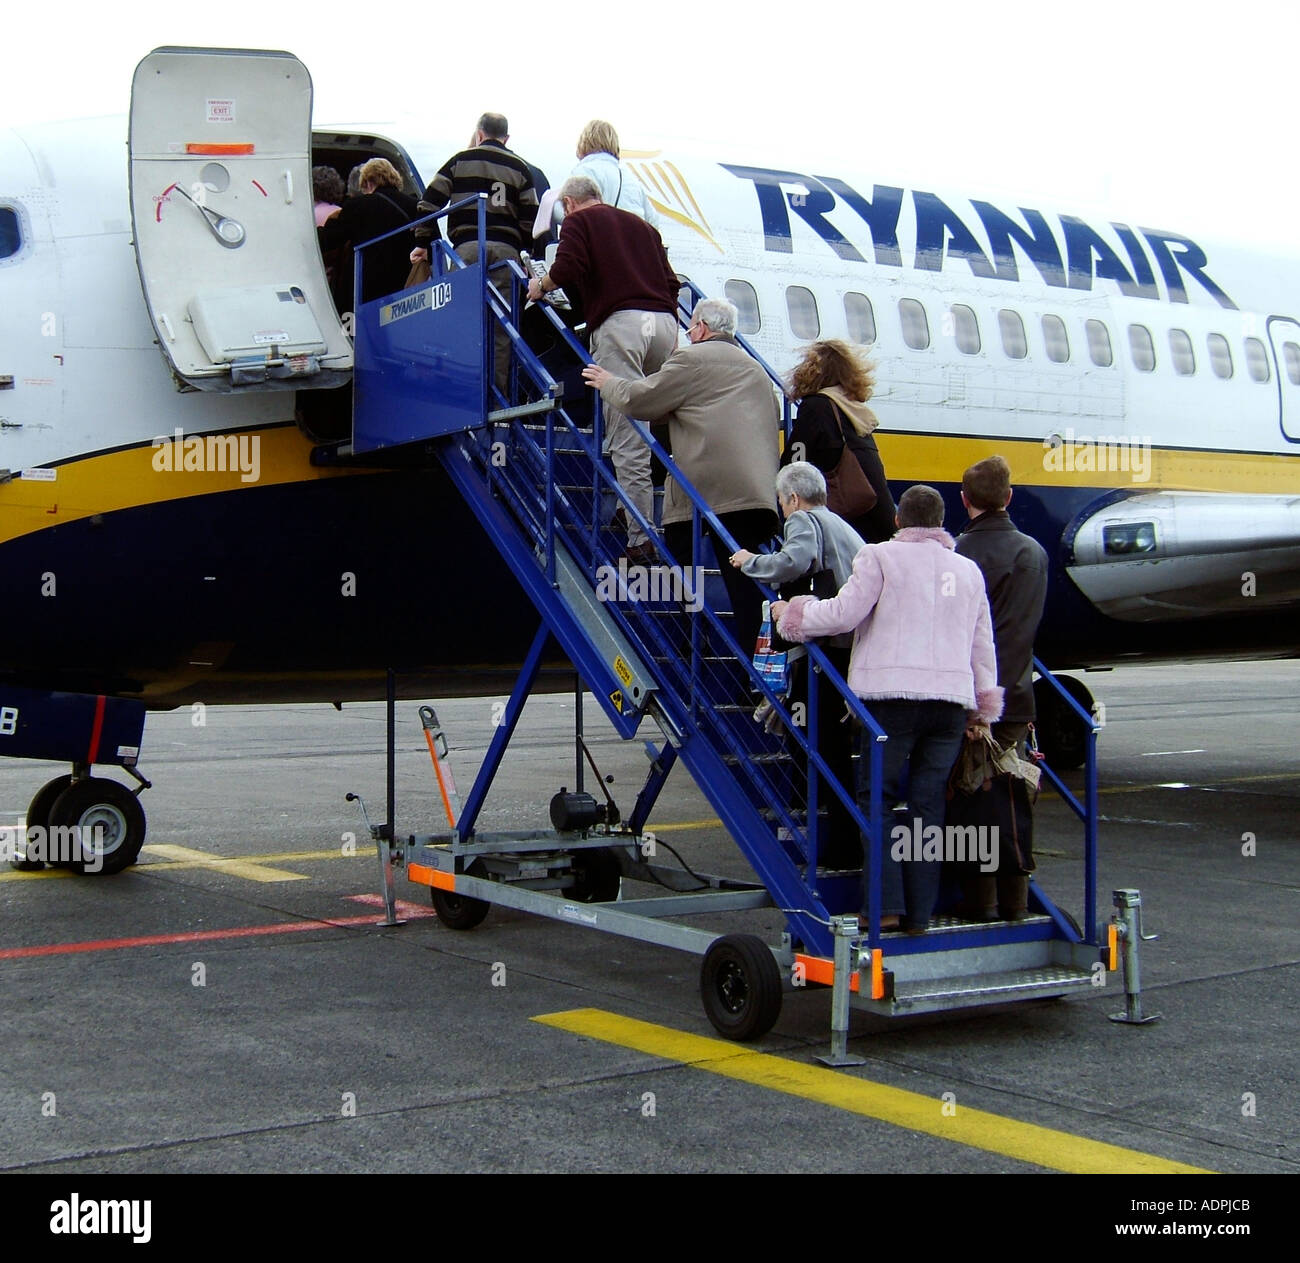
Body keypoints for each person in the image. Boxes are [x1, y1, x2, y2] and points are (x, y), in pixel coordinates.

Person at [773, 485, 1002, 932]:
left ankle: (885, 908)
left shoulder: (879, 557)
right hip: (950, 705)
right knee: (928, 807)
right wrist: (982, 705)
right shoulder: (968, 571)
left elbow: (843, 613)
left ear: (897, 520)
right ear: (940, 523)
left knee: (877, 801)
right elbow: (981, 645)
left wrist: (794, 613)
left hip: (890, 699)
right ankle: (920, 911)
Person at [582, 296, 780, 653]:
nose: (688, 335)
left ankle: (692, 649)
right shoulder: (756, 371)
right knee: (746, 589)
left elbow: (641, 399)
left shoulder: (692, 358)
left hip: (703, 491)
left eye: (690, 329)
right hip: (757, 494)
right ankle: (757, 675)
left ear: (702, 328)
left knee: (678, 565)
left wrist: (608, 381)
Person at [536, 176, 680, 561]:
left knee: (627, 429)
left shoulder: (580, 222)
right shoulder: (644, 227)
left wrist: (541, 286)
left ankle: (640, 536)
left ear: (569, 202)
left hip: (622, 326)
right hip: (665, 326)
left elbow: (567, 267)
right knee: (668, 422)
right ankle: (629, 504)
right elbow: (672, 283)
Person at [730, 462, 865, 867]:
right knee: (830, 743)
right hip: (847, 645)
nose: (783, 510)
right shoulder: (841, 525)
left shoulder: (804, 519)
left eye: (781, 501)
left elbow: (792, 562)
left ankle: (840, 843)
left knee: (820, 744)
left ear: (792, 497)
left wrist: (750, 561)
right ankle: (840, 834)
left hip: (823, 648)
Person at [952, 454, 1049, 918]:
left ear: (965, 499)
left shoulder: (957, 555)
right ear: (1009, 497)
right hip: (1018, 698)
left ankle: (980, 903)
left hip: (969, 698)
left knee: (973, 797)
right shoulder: (1034, 552)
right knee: (1009, 796)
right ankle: (1015, 904)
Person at [410, 114, 539, 395]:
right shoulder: (520, 168)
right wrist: (522, 251)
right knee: (502, 328)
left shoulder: (460, 161)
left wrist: (428, 244)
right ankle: (496, 399)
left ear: (479, 134)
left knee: (461, 320)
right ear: (506, 138)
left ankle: (463, 392)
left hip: (466, 251)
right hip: (507, 254)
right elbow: (531, 219)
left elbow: (427, 205)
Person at [784, 340, 896, 544]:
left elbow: (795, 460)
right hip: (878, 514)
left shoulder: (817, 407)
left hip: (852, 516)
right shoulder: (851, 408)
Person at [533, 119, 659, 241]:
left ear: (584, 142)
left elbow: (571, 214)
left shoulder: (583, 172)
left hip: (600, 249)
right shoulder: (631, 179)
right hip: (631, 251)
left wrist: (551, 203)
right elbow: (653, 221)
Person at [318, 157, 418, 308]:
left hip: (365, 290)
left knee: (352, 328)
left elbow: (329, 239)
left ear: (368, 183)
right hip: (403, 288)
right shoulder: (416, 206)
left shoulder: (359, 205)